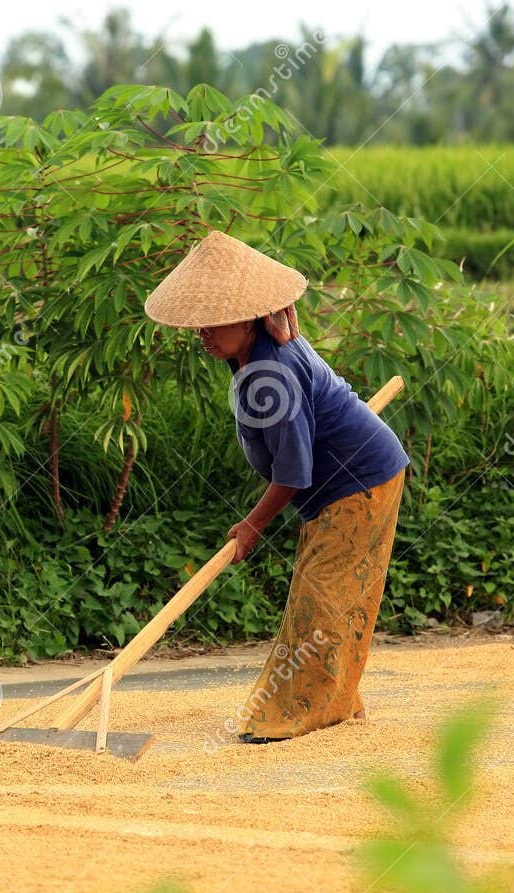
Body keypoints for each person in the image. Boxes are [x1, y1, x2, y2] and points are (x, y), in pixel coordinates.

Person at [144, 229, 411, 743]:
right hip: (347, 482)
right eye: (199, 323)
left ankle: (291, 714)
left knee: (322, 598)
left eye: (214, 322)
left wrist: (252, 525)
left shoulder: (272, 372)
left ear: (247, 318)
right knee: (328, 592)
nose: (202, 333)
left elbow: (293, 472)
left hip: (360, 483)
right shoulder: (268, 345)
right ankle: (339, 703)